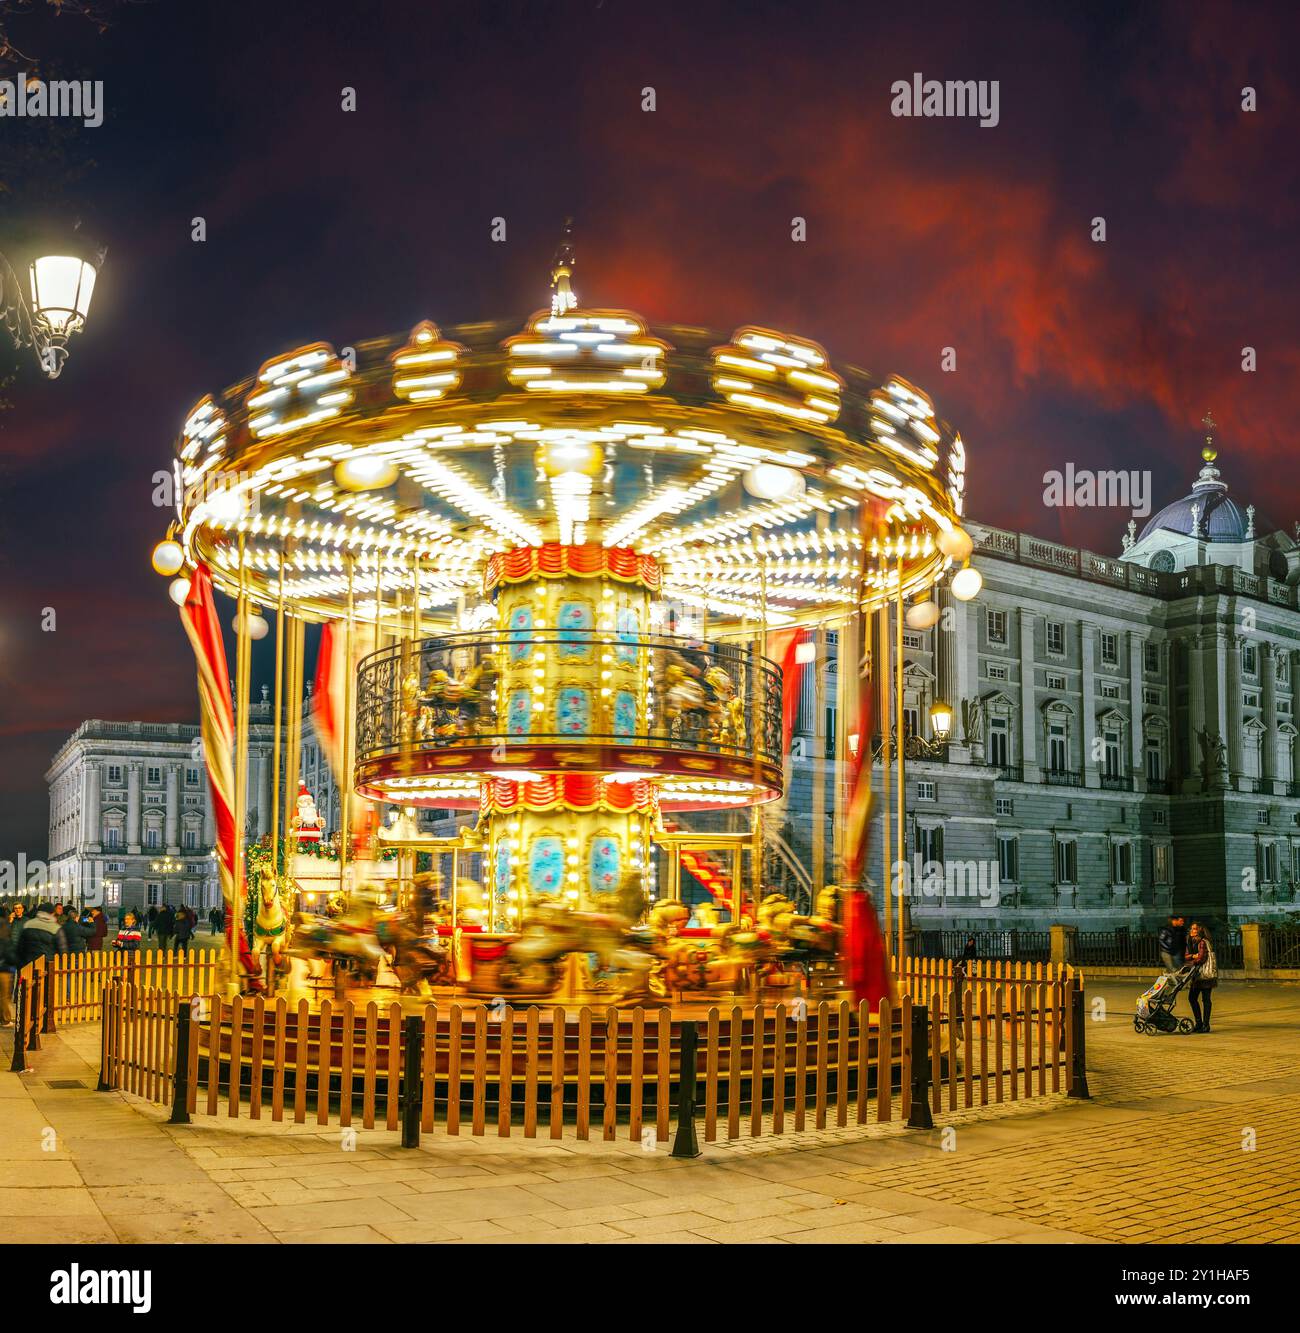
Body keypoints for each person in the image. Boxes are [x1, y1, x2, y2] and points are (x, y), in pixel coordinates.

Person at [1184, 922, 1217, 1033]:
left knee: (1206, 999)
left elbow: (1201, 958)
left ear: (1199, 931)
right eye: (1191, 928)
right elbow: (1186, 956)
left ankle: (1205, 1025)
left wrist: (1191, 960)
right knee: (1192, 998)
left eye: (1194, 929)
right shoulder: (1190, 941)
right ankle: (1199, 1023)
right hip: (1196, 974)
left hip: (1205, 975)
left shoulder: (1203, 942)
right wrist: (1193, 956)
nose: (1191, 930)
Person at [15, 902, 67, 966]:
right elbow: (63, 951)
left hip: (28, 965)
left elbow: (20, 948)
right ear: (53, 913)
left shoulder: (27, 924)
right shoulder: (56, 928)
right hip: (48, 966)